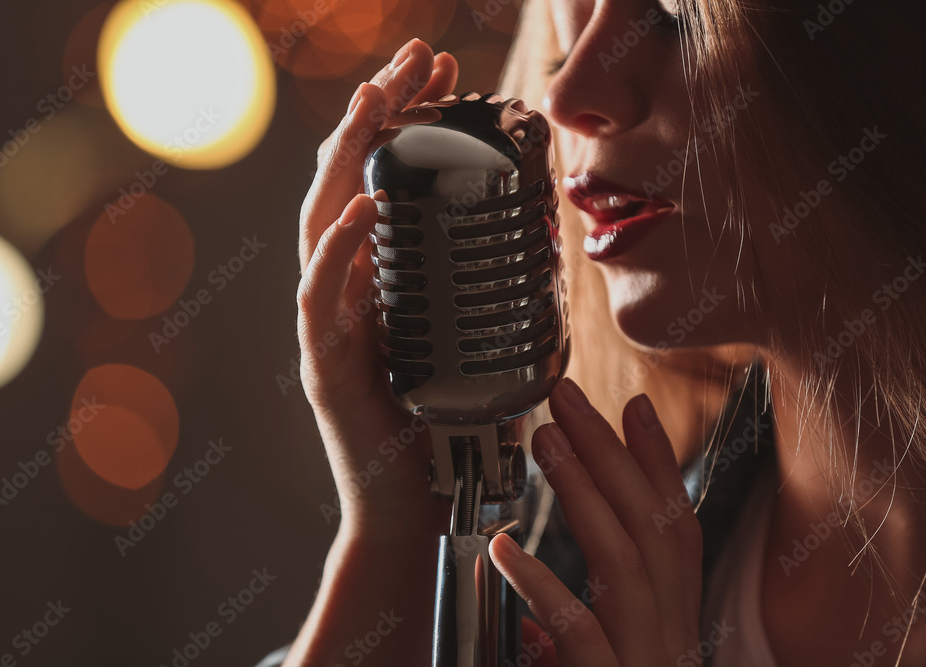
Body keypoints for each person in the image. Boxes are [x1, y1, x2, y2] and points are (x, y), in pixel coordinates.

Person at [278, 0, 926, 664]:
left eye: (678, 17)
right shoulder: (547, 562)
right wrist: (397, 535)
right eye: (569, 35)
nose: (565, 98)